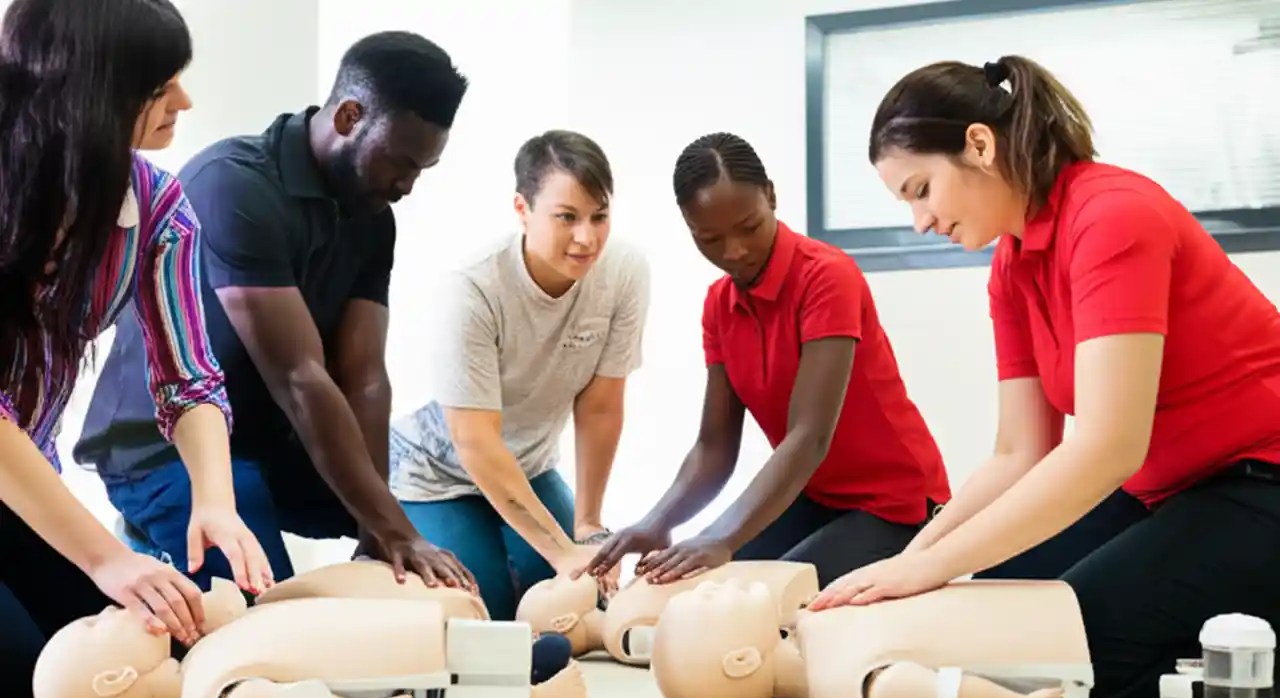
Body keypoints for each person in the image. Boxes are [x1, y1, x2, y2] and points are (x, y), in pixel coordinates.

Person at [808, 55, 1280, 698]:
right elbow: (1018, 453)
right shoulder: (1010, 265)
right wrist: (910, 564)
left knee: (1080, 633)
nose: (918, 221)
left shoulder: (1112, 216)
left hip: (1261, 479)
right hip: (1168, 490)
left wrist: (925, 568)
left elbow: (1109, 447)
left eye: (920, 190)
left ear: (978, 144)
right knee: (998, 595)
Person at [74, 31, 477, 594]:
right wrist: (393, 531)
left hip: (268, 442)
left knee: (402, 529)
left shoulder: (372, 216)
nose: (407, 186)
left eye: (422, 170)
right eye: (400, 163)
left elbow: (365, 379)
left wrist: (380, 534)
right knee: (263, 605)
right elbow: (301, 378)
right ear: (349, 117)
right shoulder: (234, 184)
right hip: (164, 444)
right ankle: (156, 537)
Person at [0, 0, 272, 698]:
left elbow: (188, 380)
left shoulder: (156, 207)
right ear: (84, 87)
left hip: (21, 486)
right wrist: (105, 557)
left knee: (144, 646)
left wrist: (214, 501)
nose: (184, 100)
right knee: (41, 681)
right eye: (160, 83)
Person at [582, 132, 950, 589]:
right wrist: (658, 521)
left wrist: (722, 536)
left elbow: (809, 435)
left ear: (771, 197)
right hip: (816, 497)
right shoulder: (719, 304)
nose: (734, 251)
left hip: (898, 506)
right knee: (698, 587)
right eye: (710, 238)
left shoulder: (827, 277)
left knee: (756, 600)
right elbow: (715, 449)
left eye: (750, 227)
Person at [387, 129, 649, 620]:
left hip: (529, 466)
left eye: (599, 216)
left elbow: (600, 405)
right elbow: (476, 440)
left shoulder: (624, 273)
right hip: (436, 475)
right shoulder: (474, 289)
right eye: (566, 217)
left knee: (576, 598)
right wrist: (564, 551)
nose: (586, 237)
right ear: (522, 209)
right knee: (490, 612)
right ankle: (382, 558)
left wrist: (588, 527)